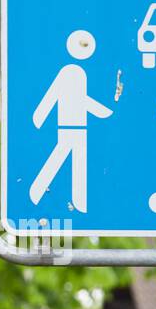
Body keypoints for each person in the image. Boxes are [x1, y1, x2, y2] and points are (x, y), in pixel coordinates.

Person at [28, 30, 113, 212]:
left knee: (77, 161)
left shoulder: (79, 73)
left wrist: (102, 112)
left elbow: (82, 99)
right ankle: (36, 191)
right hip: (68, 126)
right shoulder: (69, 72)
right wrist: (39, 117)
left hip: (80, 127)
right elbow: (53, 95)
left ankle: (80, 201)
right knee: (61, 156)